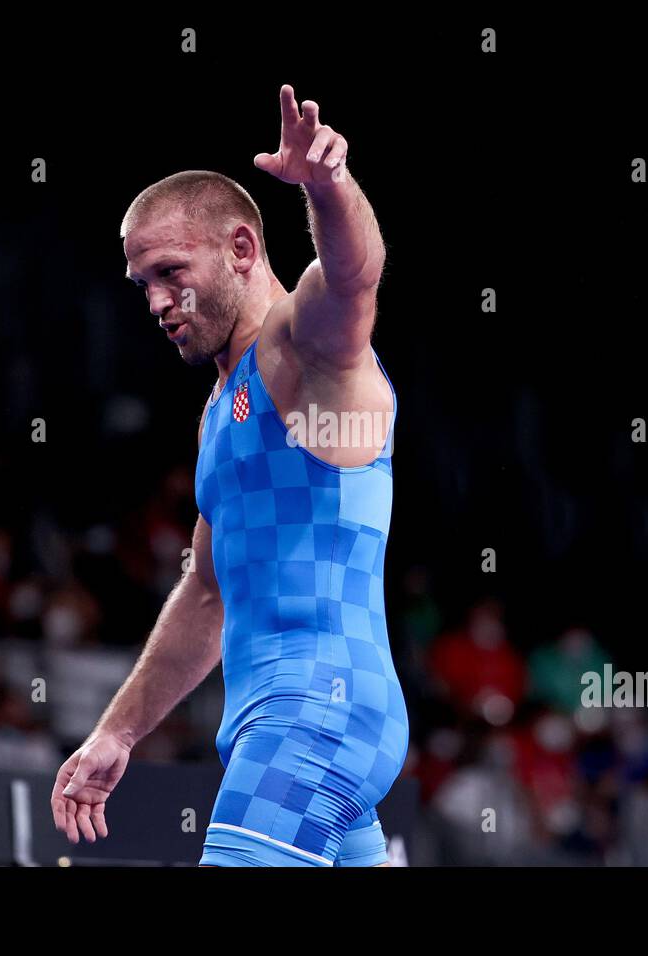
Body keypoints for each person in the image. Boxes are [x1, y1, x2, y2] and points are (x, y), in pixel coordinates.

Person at [50, 85, 407, 866]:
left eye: (171, 272)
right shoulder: (222, 410)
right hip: (282, 720)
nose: (155, 302)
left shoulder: (299, 352)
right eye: (141, 282)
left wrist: (326, 185)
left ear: (242, 249)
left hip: (317, 714)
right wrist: (118, 729)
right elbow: (206, 592)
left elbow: (352, 280)